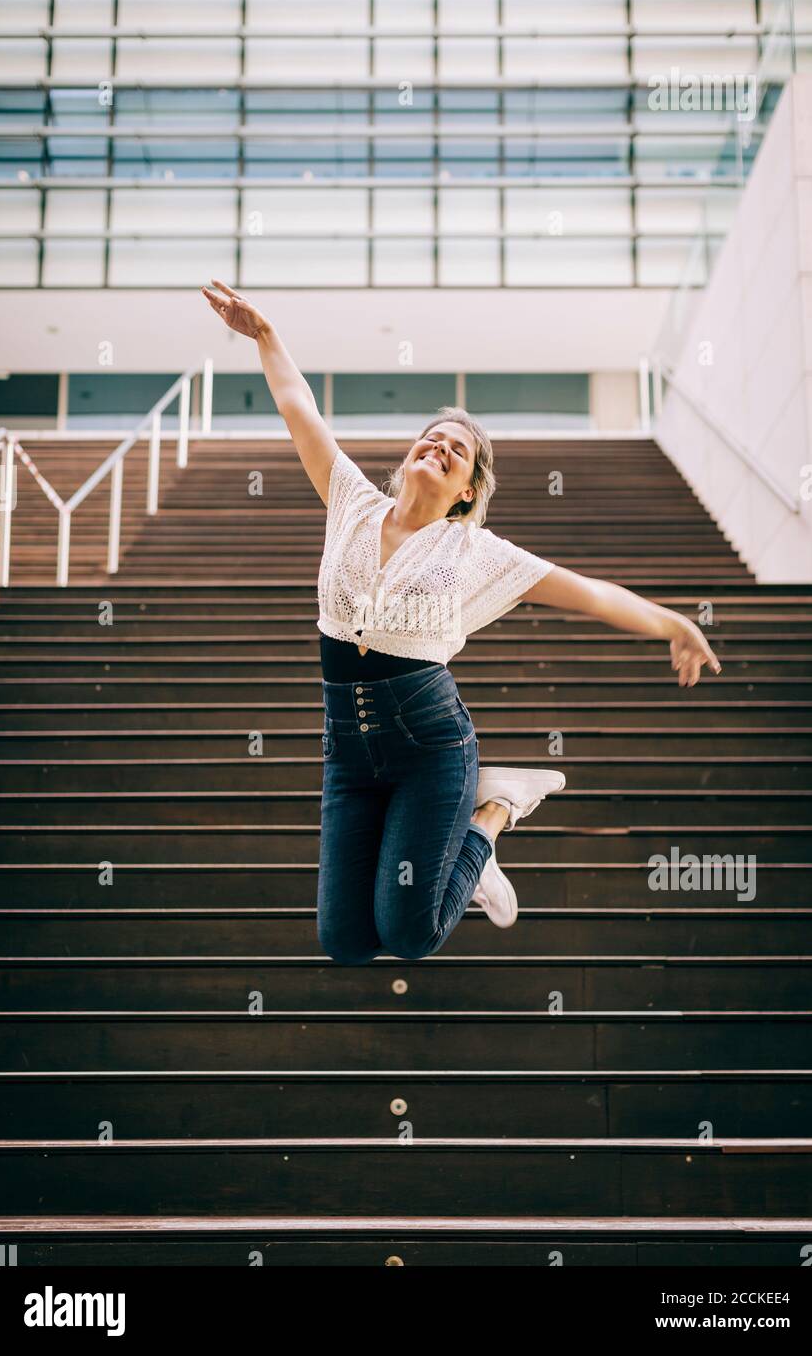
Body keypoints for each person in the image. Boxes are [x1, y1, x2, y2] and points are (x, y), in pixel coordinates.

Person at [201, 279, 721, 958]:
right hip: (349, 753)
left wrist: (674, 624)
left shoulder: (476, 552)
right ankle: (471, 826)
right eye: (431, 438)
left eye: (457, 451)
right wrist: (266, 335)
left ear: (468, 490)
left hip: (430, 747)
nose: (439, 447)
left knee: (412, 935)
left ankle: (493, 813)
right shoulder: (351, 502)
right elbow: (298, 408)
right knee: (346, 941)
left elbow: (590, 593)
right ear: (409, 455)